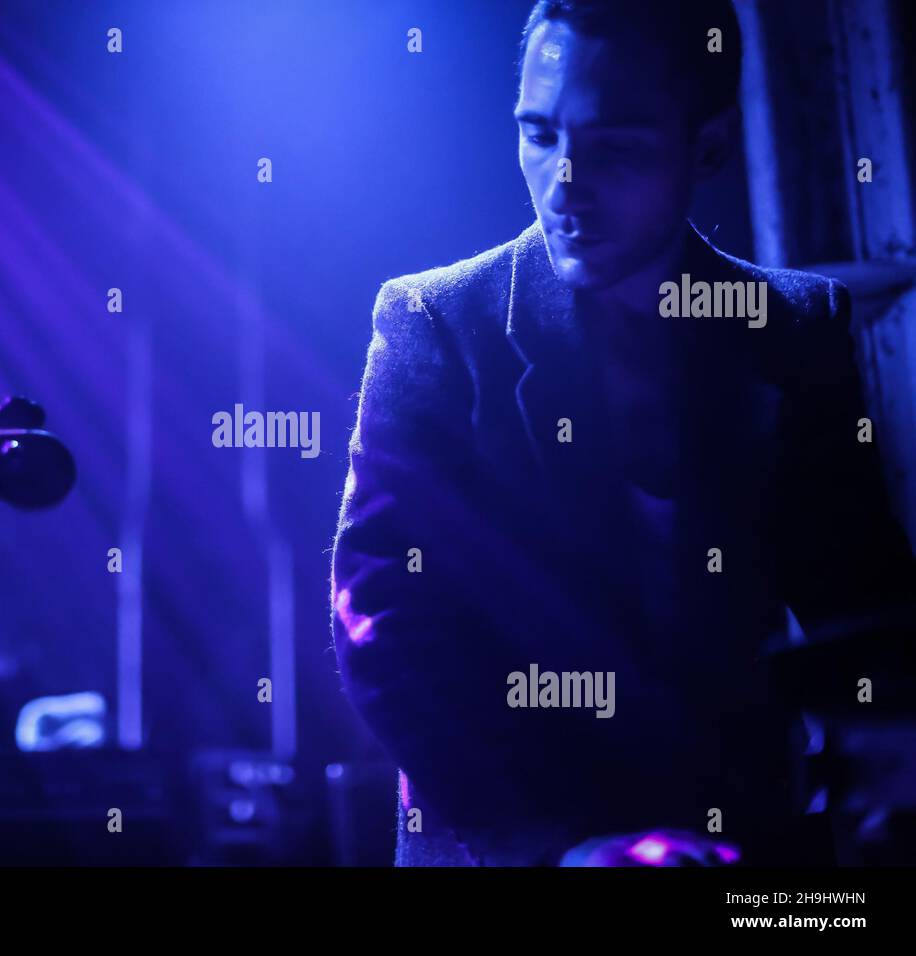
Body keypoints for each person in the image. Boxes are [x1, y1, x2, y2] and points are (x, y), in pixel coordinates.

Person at [330, 0, 916, 866]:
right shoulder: (437, 323)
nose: (566, 185)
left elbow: (864, 608)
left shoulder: (793, 325)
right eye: (539, 134)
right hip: (506, 843)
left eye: (615, 147)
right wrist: (552, 849)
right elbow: (383, 617)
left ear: (709, 147)